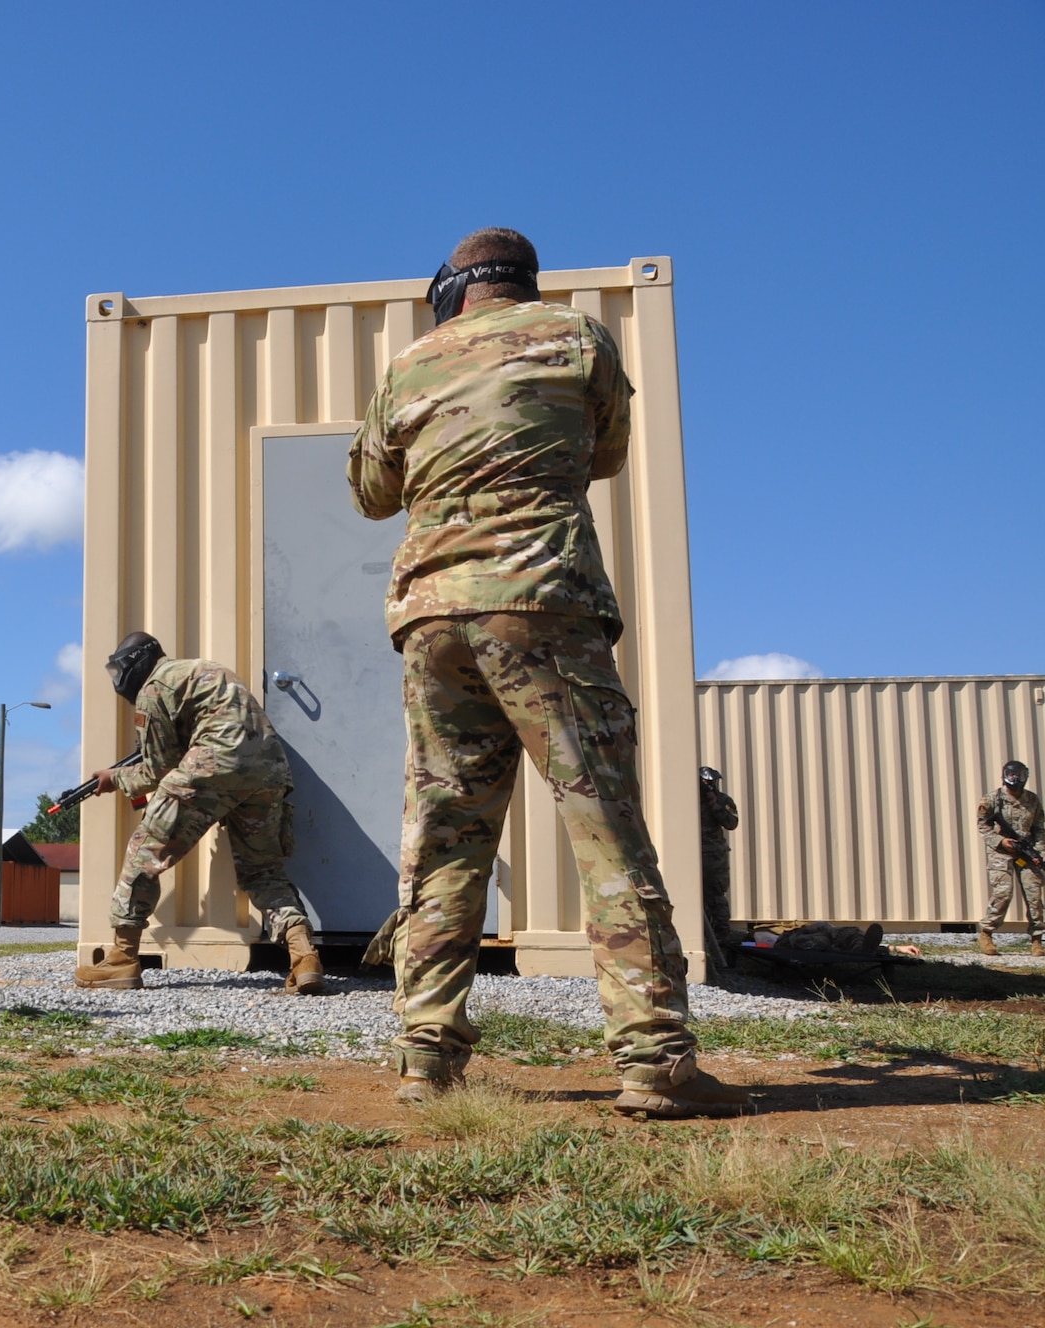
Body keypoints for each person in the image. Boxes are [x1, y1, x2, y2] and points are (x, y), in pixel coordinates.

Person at [347, 227, 747, 1119]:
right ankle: (654, 1061)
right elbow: (605, 454)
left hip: (431, 618)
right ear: (526, 285)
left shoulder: (410, 363)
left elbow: (372, 493)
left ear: (451, 291)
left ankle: (424, 1055)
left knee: (444, 833)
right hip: (543, 605)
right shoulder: (579, 339)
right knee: (605, 827)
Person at [73, 631, 327, 995]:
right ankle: (305, 958)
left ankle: (123, 959)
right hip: (269, 772)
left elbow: (159, 768)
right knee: (263, 871)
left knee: (144, 854)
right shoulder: (205, 670)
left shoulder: (154, 687)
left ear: (136, 663)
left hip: (212, 764)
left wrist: (115, 778)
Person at [976, 760, 1045, 957]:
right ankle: (986, 933)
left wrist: (1039, 853)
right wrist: (1000, 841)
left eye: (1020, 775)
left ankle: (1037, 940)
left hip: (1027, 852)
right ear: (1005, 776)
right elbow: (983, 825)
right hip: (1001, 852)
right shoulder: (992, 799)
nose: (1016, 779)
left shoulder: (1032, 800)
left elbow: (1040, 829)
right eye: (1012, 775)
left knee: (1034, 895)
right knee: (1003, 892)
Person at [699, 767, 741, 969]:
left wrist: (715, 806)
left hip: (714, 856)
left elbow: (732, 823)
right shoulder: (688, 799)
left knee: (716, 897)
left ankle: (722, 940)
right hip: (694, 855)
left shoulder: (723, 800)